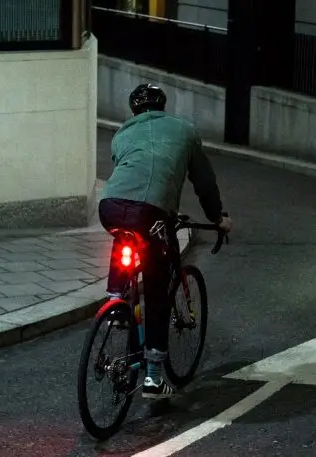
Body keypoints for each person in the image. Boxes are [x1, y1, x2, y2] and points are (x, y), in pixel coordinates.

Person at [98, 83, 233, 399]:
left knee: (127, 235)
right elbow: (203, 182)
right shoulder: (185, 130)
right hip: (152, 212)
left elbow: (134, 175)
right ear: (163, 106)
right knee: (158, 290)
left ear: (133, 110)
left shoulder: (121, 135)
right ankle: (154, 379)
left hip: (110, 206)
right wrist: (217, 218)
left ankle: (115, 297)